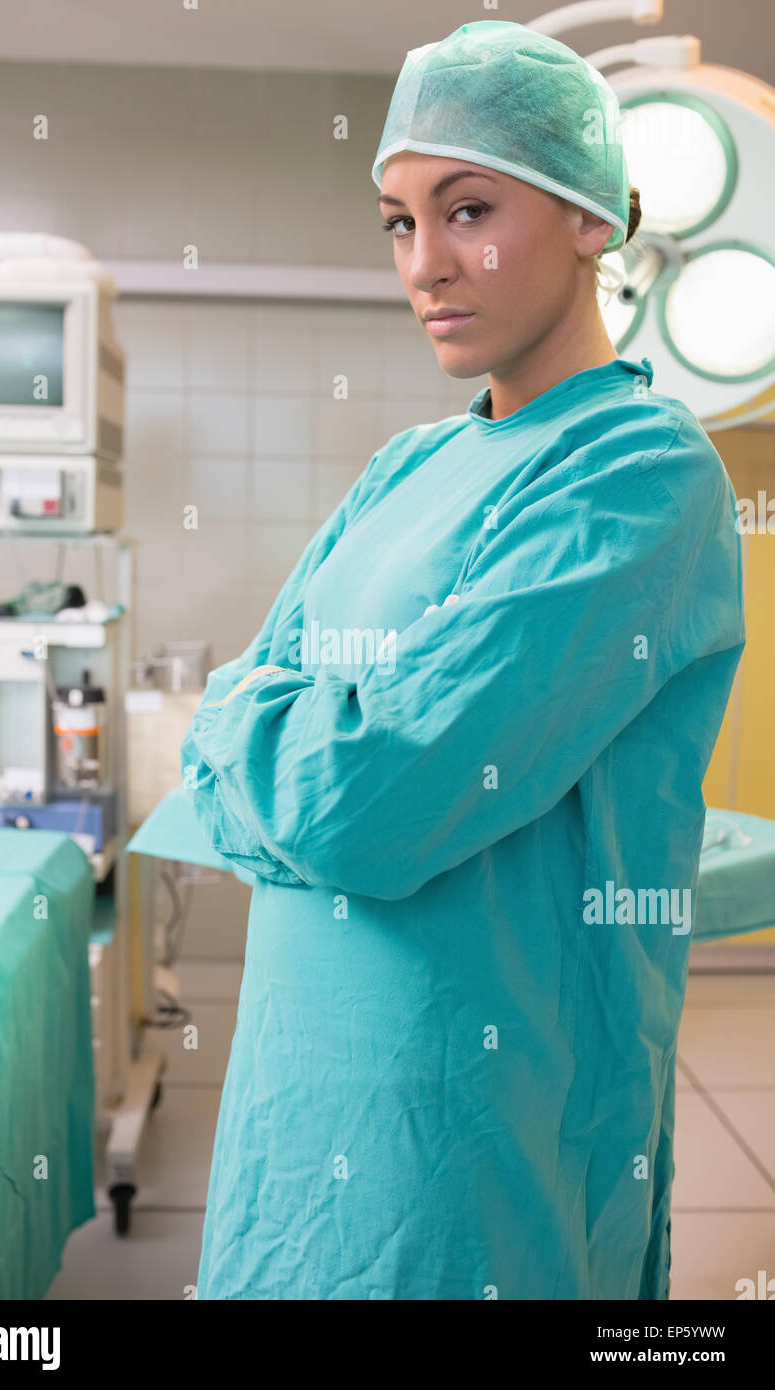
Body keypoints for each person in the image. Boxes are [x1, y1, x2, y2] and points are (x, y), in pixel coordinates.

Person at [181, 20, 745, 1299]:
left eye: (468, 207)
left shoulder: (639, 474)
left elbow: (365, 798)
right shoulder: (407, 466)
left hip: (470, 1153)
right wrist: (269, 734)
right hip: (291, 1115)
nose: (423, 265)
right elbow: (240, 697)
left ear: (593, 216)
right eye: (396, 221)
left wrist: (263, 746)